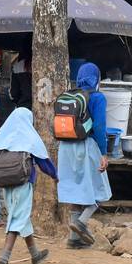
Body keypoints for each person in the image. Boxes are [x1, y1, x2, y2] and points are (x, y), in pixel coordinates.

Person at [56, 62, 111, 249]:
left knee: (75, 192)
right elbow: (99, 126)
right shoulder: (97, 97)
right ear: (97, 78)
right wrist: (104, 153)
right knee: (100, 190)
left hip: (65, 148)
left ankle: (73, 239)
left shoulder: (70, 95)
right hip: (87, 146)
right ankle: (81, 222)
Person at [0, 107, 56, 264]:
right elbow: (44, 162)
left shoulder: (1, 137)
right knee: (17, 218)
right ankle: (4, 259)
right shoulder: (29, 138)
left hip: (6, 184)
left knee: (21, 216)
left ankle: (35, 255)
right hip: (23, 183)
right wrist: (55, 176)